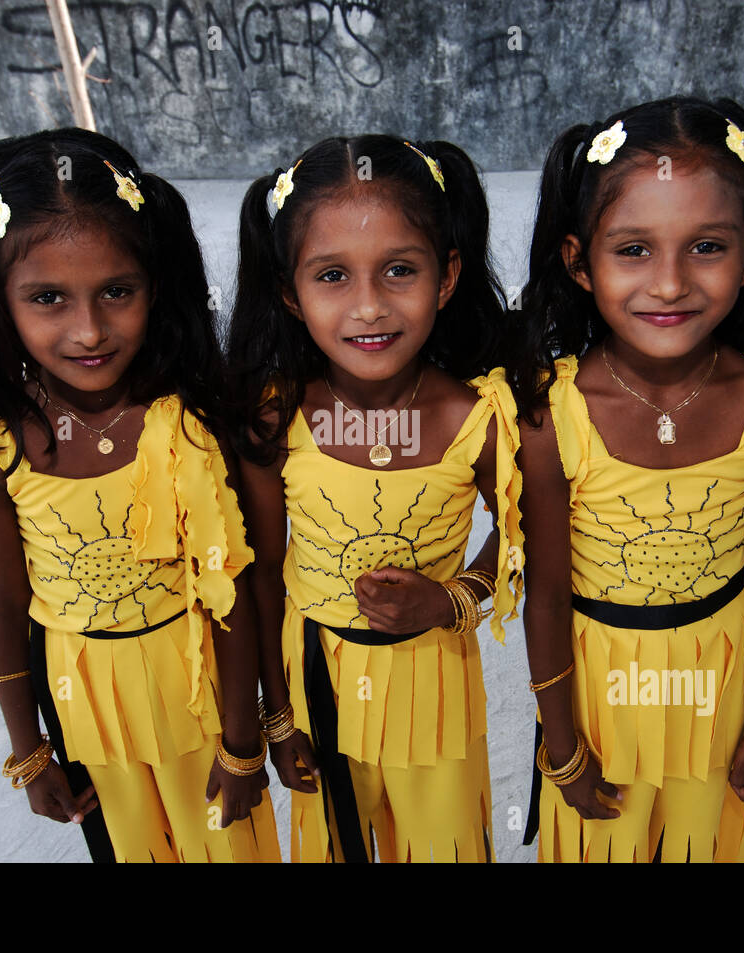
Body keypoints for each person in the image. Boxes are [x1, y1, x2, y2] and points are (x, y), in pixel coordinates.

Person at [0, 128, 280, 862]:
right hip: (84, 711)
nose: (88, 329)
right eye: (47, 297)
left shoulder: (189, 422)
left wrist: (244, 743)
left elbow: (233, 591)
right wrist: (28, 749)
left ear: (156, 285)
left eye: (117, 291)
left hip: (197, 696)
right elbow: (3, 599)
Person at [508, 97, 744, 862]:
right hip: (599, 689)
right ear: (578, 259)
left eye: (705, 246)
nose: (668, 284)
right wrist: (560, 743)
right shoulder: (549, 416)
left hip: (718, 684)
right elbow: (549, 592)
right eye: (633, 249)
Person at [226, 135, 523, 862]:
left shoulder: (478, 416)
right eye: (332, 275)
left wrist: (455, 598)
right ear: (290, 293)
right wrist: (276, 714)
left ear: (447, 277)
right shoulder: (274, 414)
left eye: (399, 269)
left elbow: (531, 531)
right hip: (315, 680)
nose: (369, 306)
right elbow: (260, 572)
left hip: (436, 690)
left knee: (445, 846)